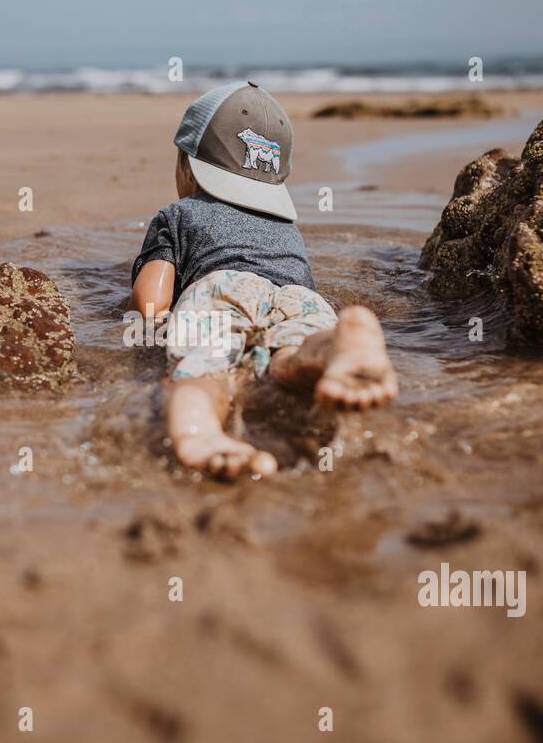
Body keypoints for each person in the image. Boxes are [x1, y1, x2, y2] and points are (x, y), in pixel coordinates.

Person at [130, 81, 398, 479]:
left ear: (187, 166)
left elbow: (150, 304)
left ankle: (201, 434)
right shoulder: (286, 225)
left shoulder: (179, 213)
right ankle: (333, 345)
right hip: (299, 297)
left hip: (222, 290)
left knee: (206, 371)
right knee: (288, 353)